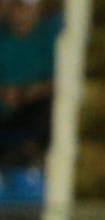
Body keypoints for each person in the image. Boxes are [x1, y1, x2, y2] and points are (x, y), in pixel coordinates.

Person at [0, 0, 62, 165]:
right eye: (15, 7)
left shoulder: (52, 35)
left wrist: (28, 92)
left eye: (25, 9)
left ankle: (28, 157)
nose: (20, 15)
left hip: (31, 113)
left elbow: (64, 82)